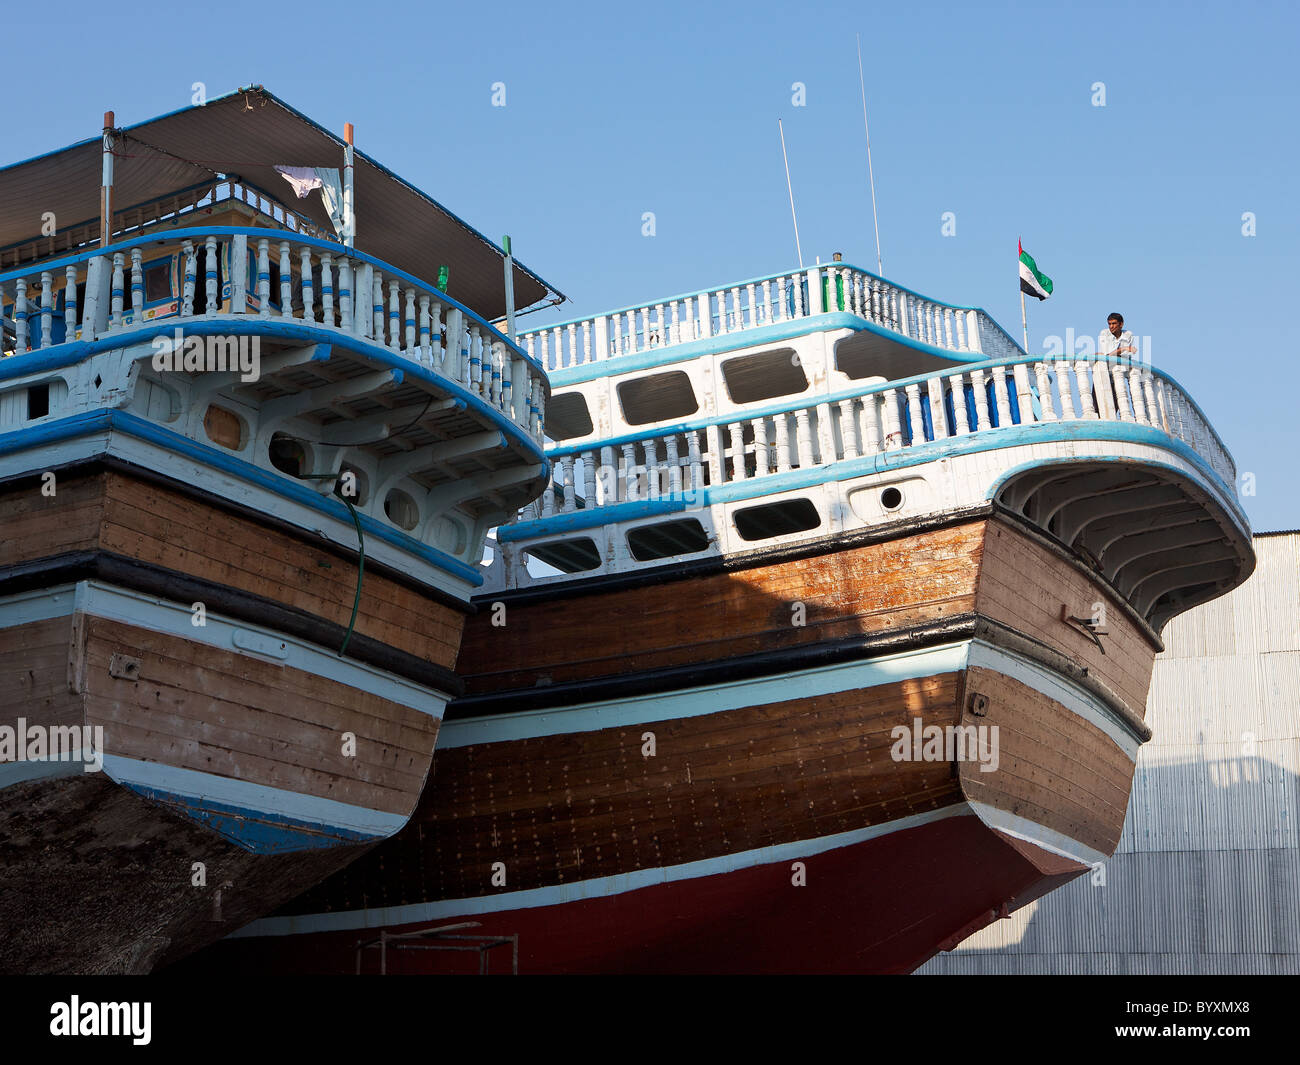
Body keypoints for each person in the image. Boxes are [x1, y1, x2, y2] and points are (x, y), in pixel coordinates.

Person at [1092, 312, 1137, 419]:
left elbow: (1126, 356)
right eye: (1109, 324)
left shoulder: (1128, 335)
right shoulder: (1104, 333)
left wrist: (1120, 352)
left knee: (1116, 402)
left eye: (1114, 324)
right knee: (1097, 402)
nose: (1111, 327)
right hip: (1104, 371)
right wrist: (1122, 349)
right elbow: (1108, 355)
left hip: (1117, 373)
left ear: (1121, 324)